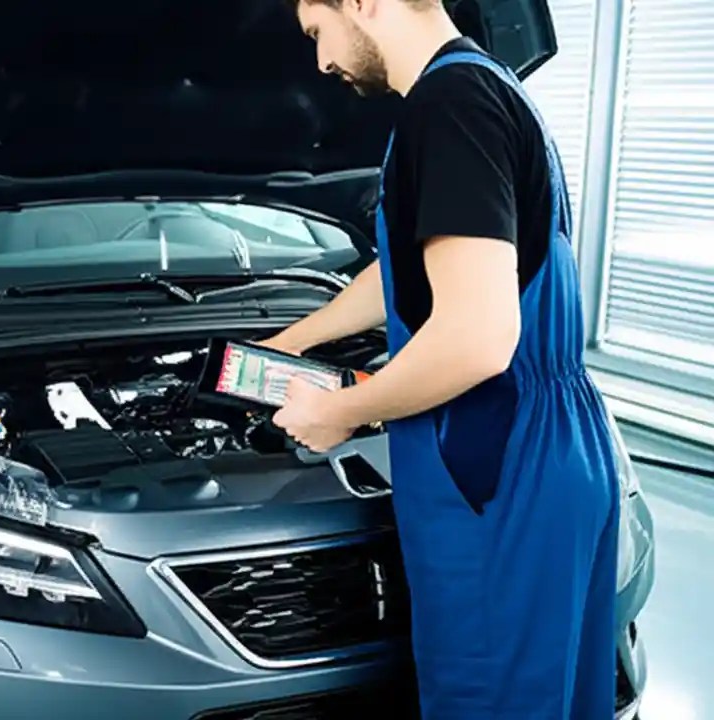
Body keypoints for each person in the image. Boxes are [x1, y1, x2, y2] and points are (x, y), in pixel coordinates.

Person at [262, 0, 620, 717]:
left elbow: (477, 339)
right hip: (563, 444)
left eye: (318, 32)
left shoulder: (447, 106)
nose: (321, 62)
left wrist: (341, 410)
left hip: (499, 464)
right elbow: (416, 264)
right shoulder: (488, 86)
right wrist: (296, 340)